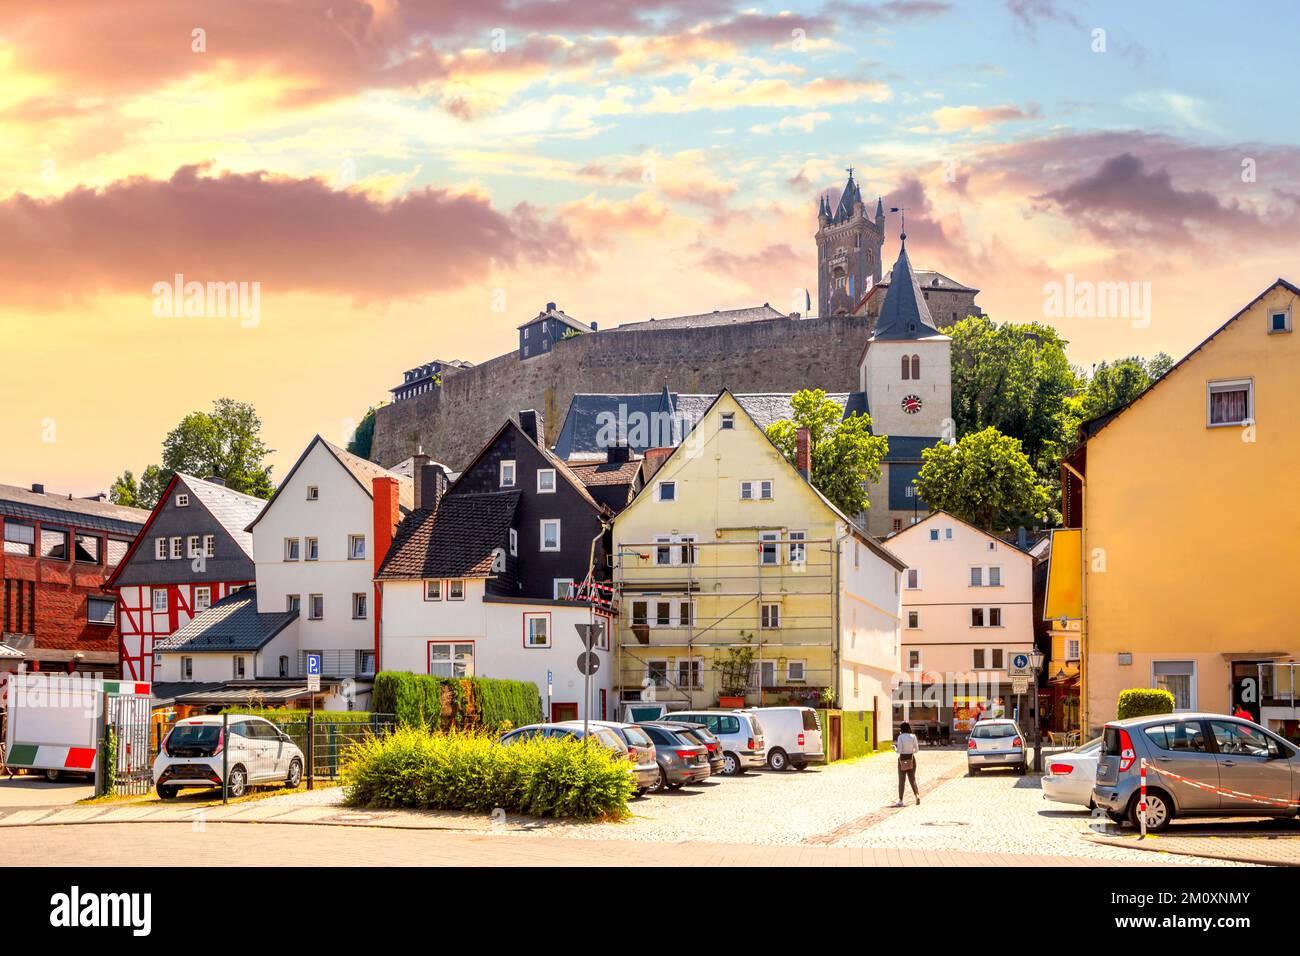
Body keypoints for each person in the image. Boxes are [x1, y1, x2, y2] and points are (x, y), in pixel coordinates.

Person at [895, 722, 920, 807]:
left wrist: (895, 748)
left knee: (902, 780)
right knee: (912, 779)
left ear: (901, 729)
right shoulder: (913, 736)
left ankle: (901, 800)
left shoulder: (900, 737)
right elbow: (916, 750)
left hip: (902, 759)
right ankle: (917, 796)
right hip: (911, 758)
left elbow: (899, 751)